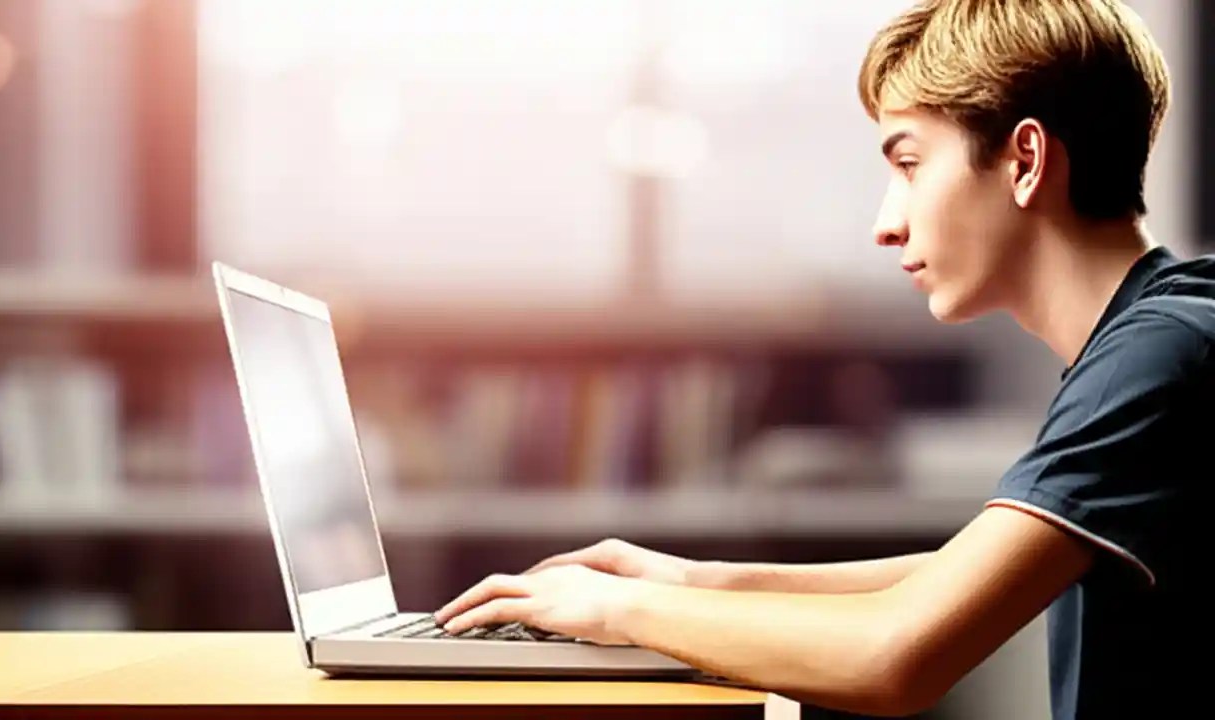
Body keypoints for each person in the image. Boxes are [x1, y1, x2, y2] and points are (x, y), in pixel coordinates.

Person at [433, 1, 1213, 717]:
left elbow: (895, 657)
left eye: (908, 164)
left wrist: (614, 612)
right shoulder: (1165, 324)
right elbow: (963, 577)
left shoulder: (1154, 356)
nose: (886, 223)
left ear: (1026, 160)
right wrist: (700, 582)